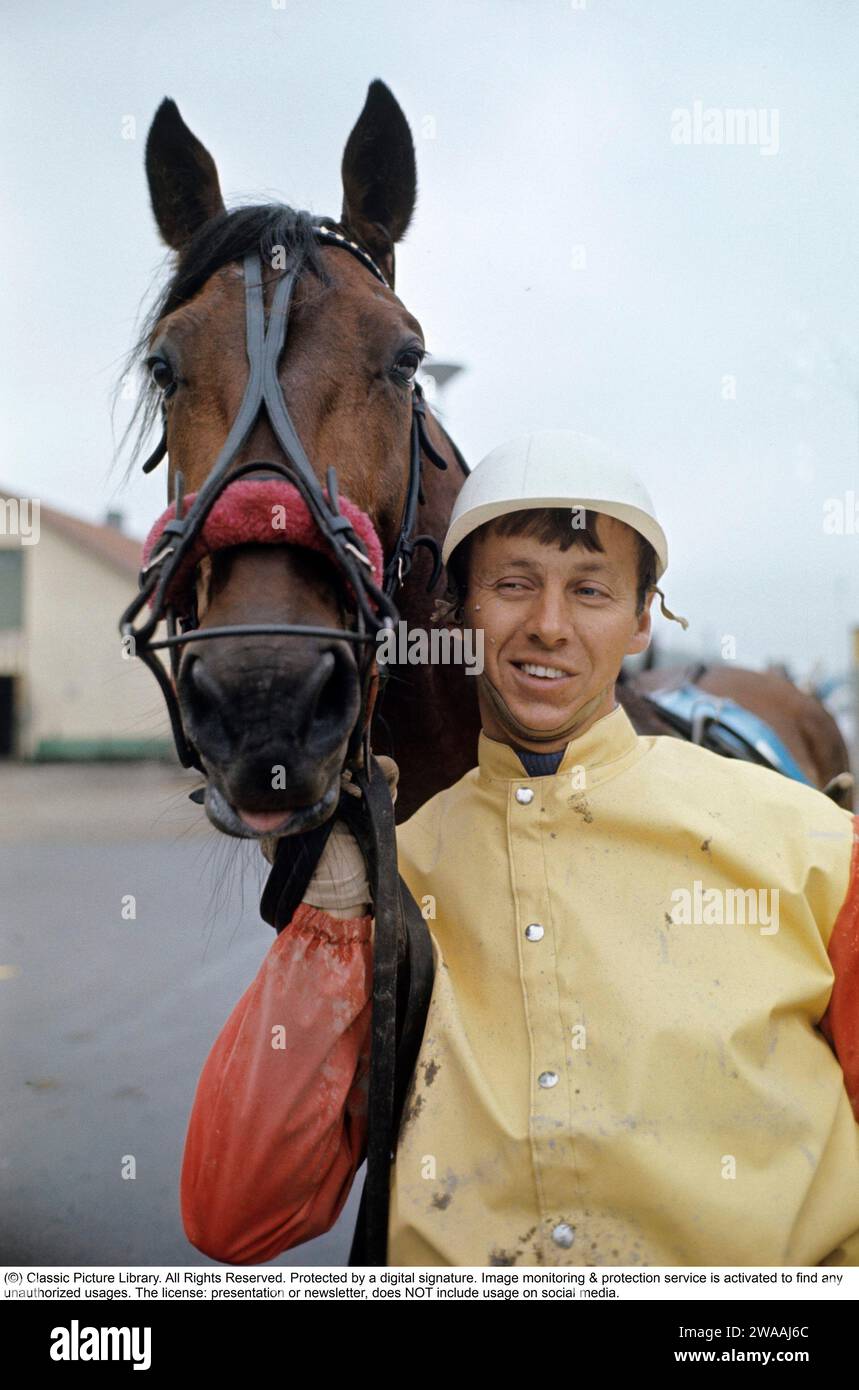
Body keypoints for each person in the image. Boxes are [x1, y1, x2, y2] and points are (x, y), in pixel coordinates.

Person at [179, 430, 859, 1267]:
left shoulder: (814, 848)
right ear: (458, 609)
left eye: (590, 591)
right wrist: (328, 928)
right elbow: (235, 1218)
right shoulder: (390, 880)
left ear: (643, 617)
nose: (547, 626)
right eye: (511, 586)